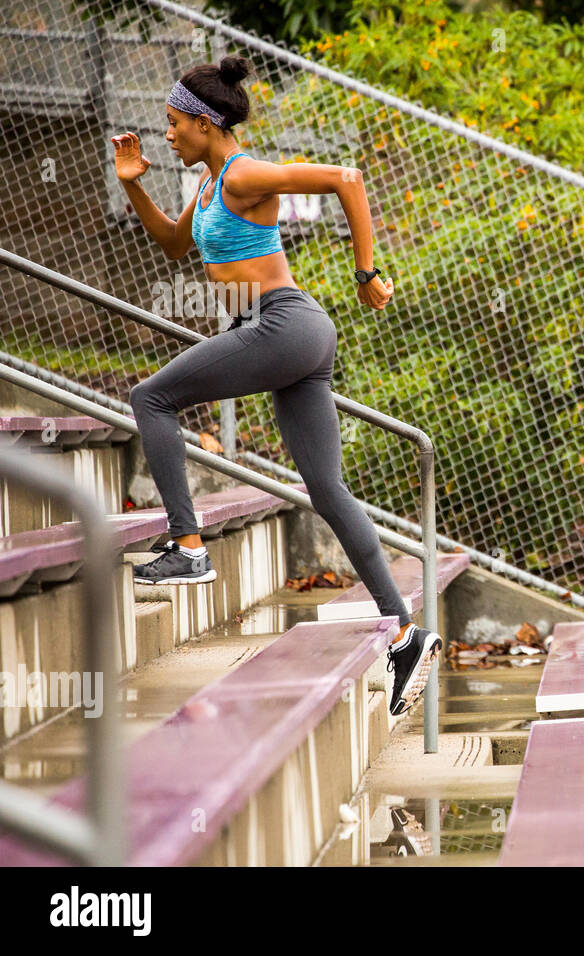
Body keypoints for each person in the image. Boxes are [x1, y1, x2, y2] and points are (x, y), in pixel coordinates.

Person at [113, 55, 437, 717]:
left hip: (282, 324)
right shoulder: (206, 187)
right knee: (325, 488)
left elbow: (347, 178)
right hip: (295, 336)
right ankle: (404, 633)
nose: (167, 134)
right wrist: (133, 185)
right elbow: (175, 246)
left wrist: (366, 270)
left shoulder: (245, 174)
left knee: (150, 397)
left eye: (175, 124)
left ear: (207, 123)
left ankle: (189, 546)